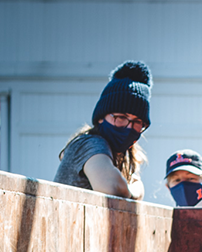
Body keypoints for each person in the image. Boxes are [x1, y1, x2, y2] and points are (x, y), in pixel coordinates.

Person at [54, 62, 152, 200]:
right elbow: (112, 187)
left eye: (137, 122)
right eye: (121, 117)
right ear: (101, 117)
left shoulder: (121, 156)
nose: (129, 127)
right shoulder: (91, 144)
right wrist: (136, 189)